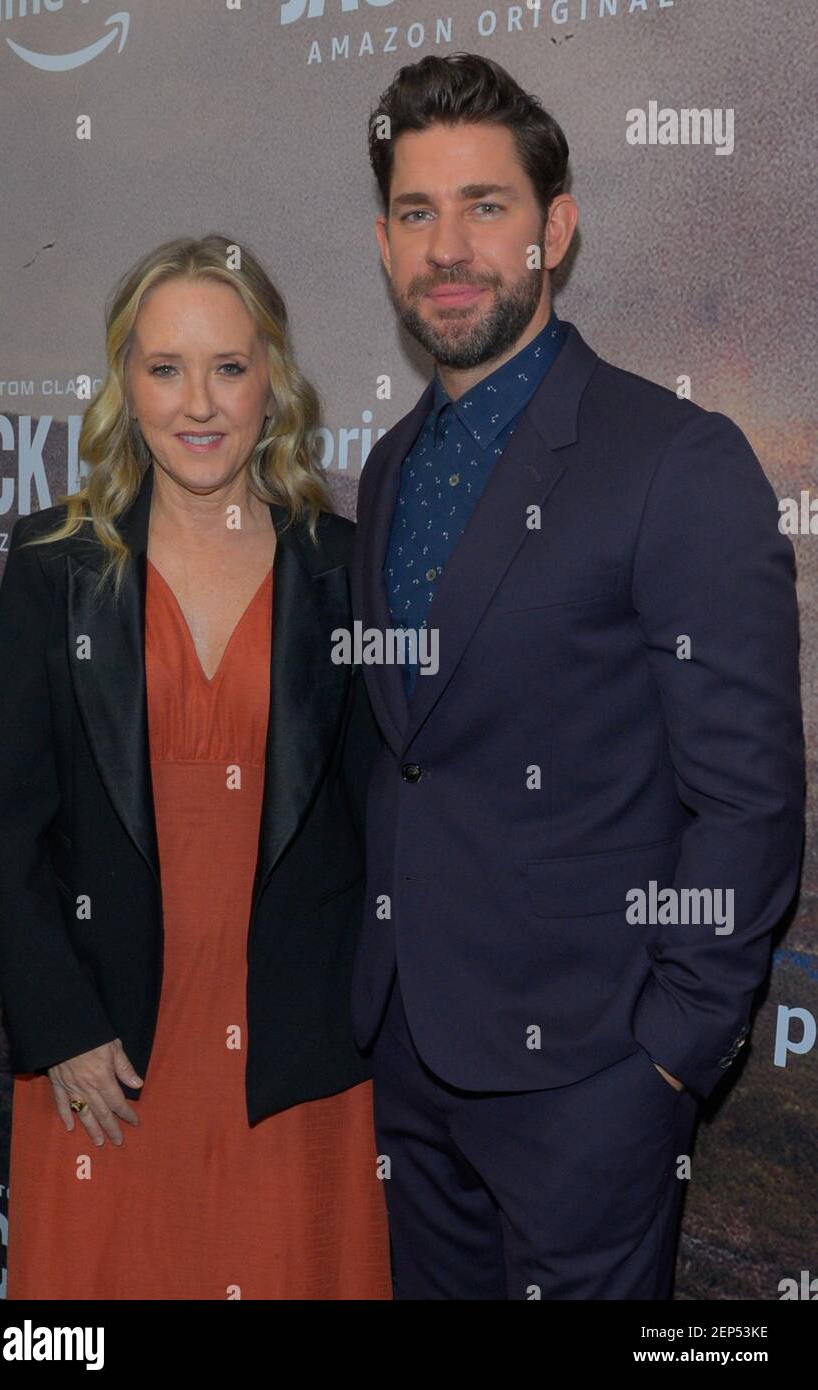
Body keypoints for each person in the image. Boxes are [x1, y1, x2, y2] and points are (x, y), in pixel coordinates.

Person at [350, 53, 805, 1300]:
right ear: (384, 242)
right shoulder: (389, 468)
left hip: (590, 1086)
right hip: (407, 1062)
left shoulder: (677, 462)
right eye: (415, 210)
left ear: (555, 227)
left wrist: (662, 1061)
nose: (448, 247)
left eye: (484, 206)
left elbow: (750, 800)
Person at [0, 233, 391, 1300]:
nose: (198, 403)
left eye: (228, 366)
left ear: (273, 383)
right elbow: (16, 827)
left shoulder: (342, 571)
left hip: (289, 1060)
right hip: (106, 1057)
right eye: (165, 368)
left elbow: (380, 822)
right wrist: (61, 1025)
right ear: (127, 383)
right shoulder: (52, 566)